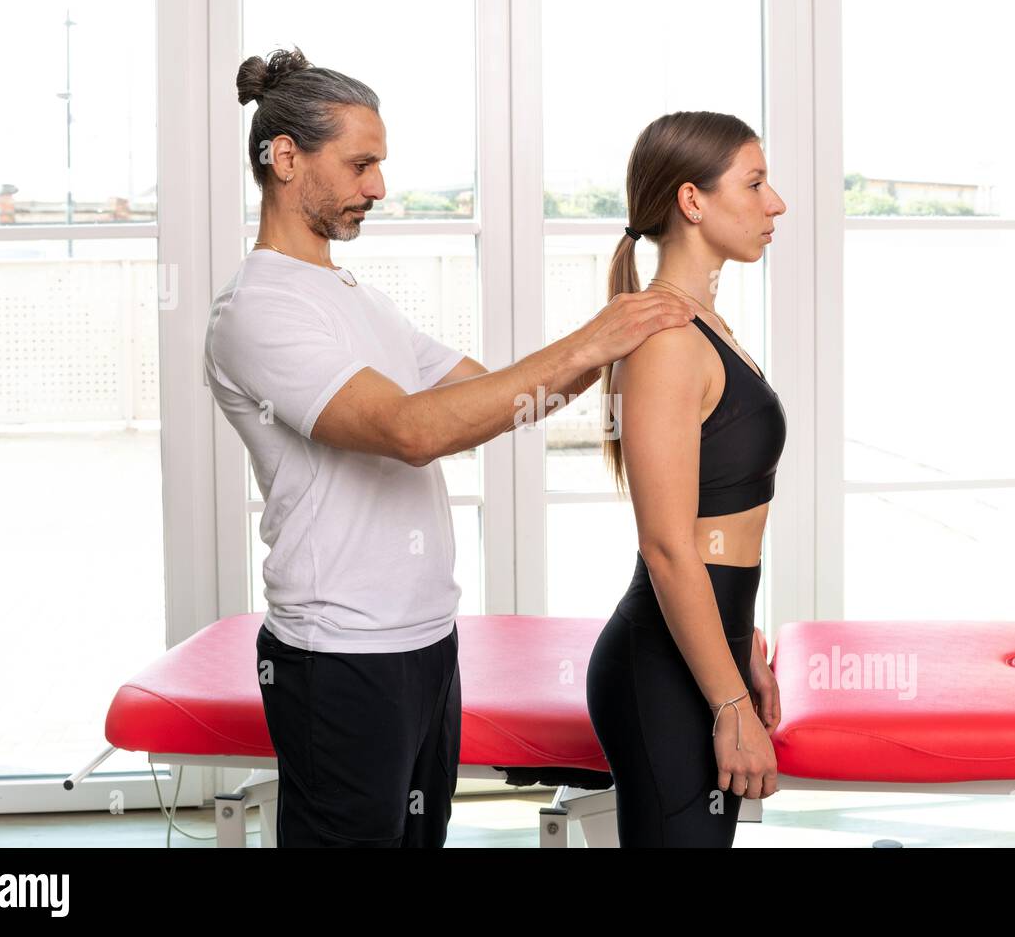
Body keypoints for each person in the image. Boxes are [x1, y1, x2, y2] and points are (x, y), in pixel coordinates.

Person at [202, 46, 698, 847]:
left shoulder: (357, 299)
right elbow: (413, 430)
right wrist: (594, 339)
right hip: (340, 656)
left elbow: (499, 396)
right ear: (285, 159)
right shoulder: (257, 311)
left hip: (424, 640)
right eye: (361, 165)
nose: (379, 187)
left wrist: (625, 338)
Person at [585, 111, 789, 847]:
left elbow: (718, 511)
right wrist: (730, 702)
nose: (776, 204)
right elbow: (670, 547)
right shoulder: (671, 340)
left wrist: (743, 644)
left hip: (705, 654)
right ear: (692, 202)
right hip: (663, 676)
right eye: (756, 183)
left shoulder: (704, 323)